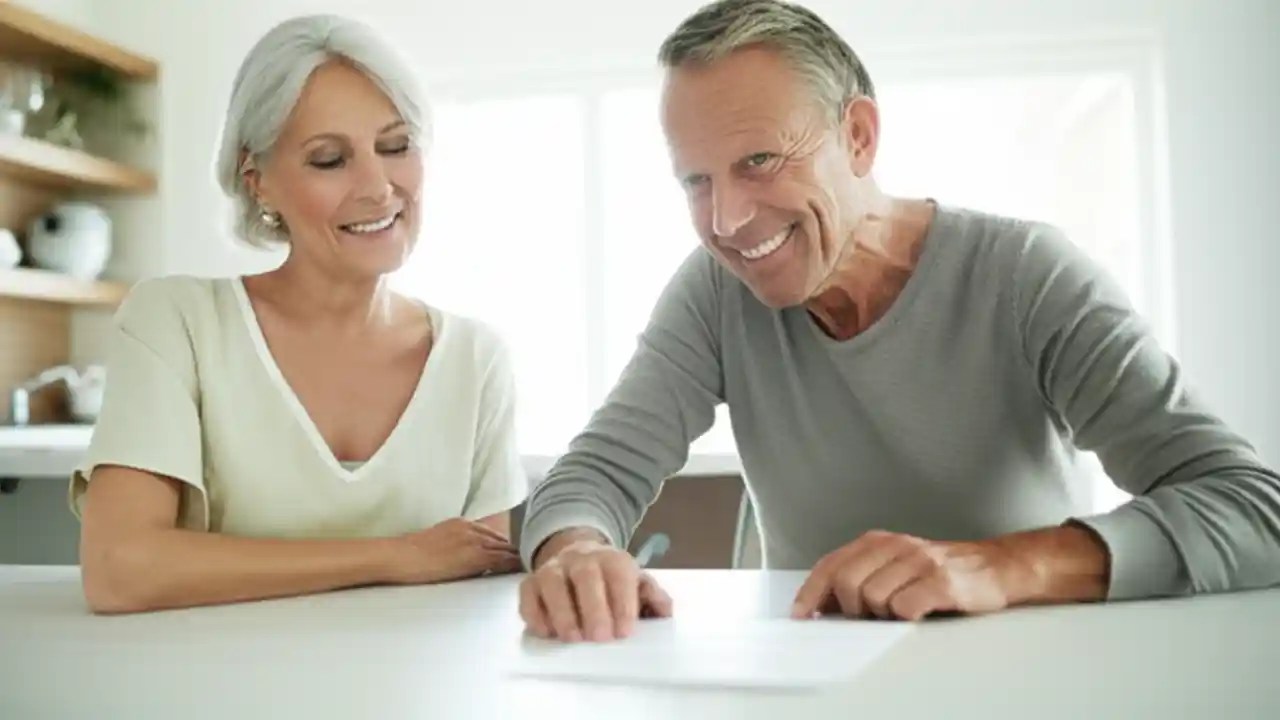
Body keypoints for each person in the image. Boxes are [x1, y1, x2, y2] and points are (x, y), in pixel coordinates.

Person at [518, 0, 1280, 642]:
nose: (726, 220)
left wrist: (1001, 564)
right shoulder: (716, 294)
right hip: (815, 685)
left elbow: (1252, 508)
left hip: (1026, 671)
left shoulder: (1025, 276)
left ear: (858, 137)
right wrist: (573, 550)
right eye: (696, 180)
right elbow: (593, 476)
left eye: (759, 161)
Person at [71, 15, 527, 614]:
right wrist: (395, 556)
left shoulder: (475, 357)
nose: (378, 188)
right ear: (256, 181)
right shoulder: (176, 321)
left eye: (395, 147)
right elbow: (119, 571)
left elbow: (479, 584)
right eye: (329, 160)